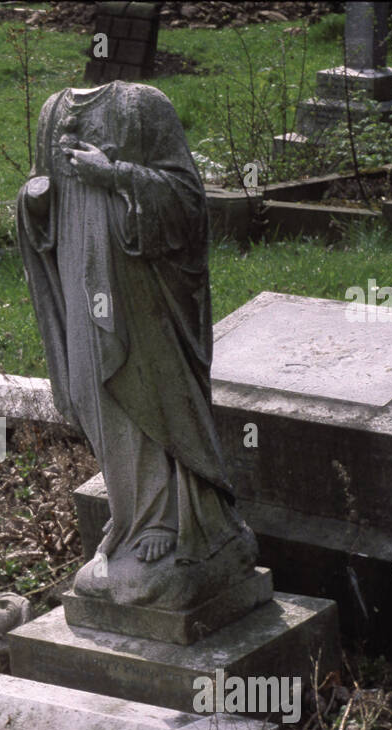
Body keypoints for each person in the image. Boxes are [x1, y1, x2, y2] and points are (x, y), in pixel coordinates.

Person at [16, 80, 256, 609]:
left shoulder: (143, 105)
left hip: (136, 282)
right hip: (78, 270)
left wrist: (115, 175)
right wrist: (35, 201)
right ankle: (127, 521)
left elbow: (189, 202)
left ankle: (167, 521)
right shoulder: (54, 108)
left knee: (137, 385)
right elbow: (40, 196)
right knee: (90, 390)